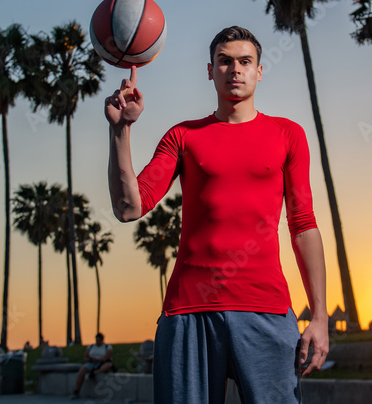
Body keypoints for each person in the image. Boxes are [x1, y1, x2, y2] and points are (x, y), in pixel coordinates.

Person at [105, 26, 329, 404]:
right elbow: (128, 207)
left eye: (245, 61)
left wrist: (320, 317)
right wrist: (121, 130)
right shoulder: (183, 136)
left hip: (266, 310)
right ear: (210, 71)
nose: (235, 69)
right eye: (225, 61)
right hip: (188, 311)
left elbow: (303, 226)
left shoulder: (287, 134)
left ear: (259, 71)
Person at [71, 332, 113, 399]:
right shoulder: (91, 346)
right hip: (92, 363)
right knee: (82, 371)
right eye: (96, 340)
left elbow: (107, 358)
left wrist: (98, 359)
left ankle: (94, 373)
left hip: (102, 363)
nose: (97, 342)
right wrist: (91, 359)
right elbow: (85, 357)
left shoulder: (107, 347)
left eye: (99, 340)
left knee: (108, 365)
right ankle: (76, 391)